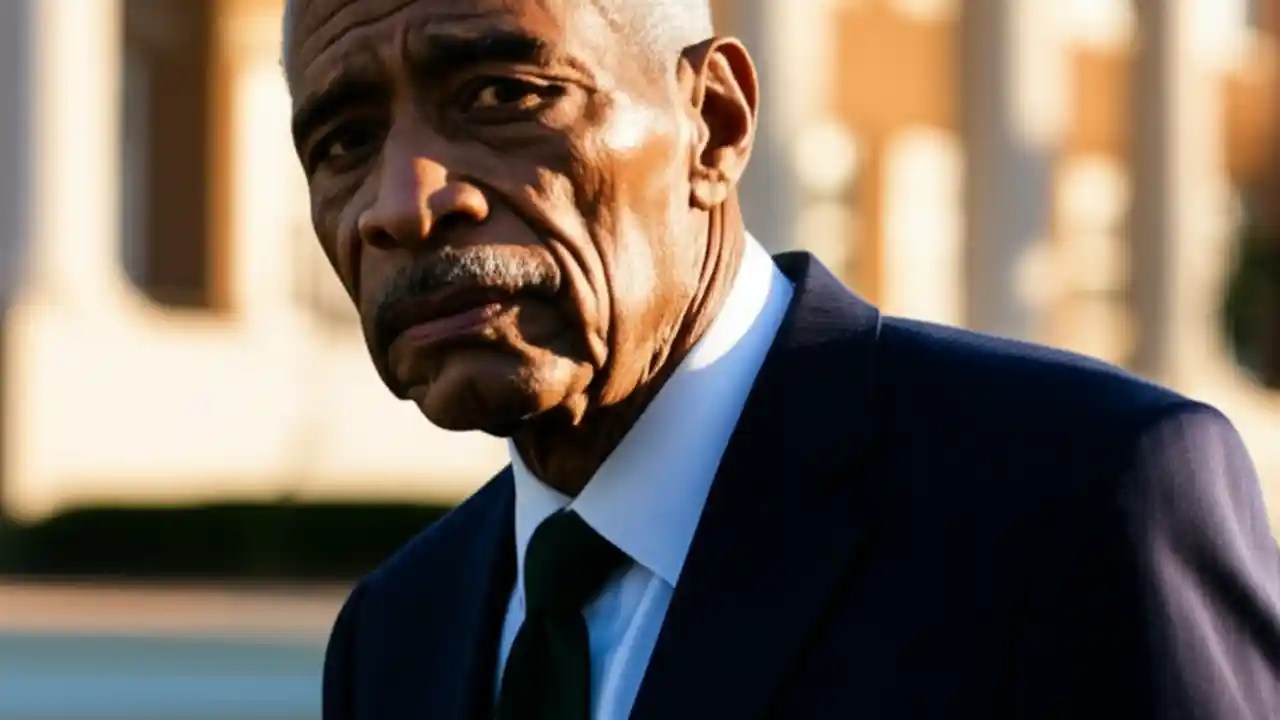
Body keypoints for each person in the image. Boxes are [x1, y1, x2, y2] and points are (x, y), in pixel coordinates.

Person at [283, 0, 1280, 717]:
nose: (402, 205)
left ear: (713, 127)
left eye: (504, 93)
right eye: (342, 143)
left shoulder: (1080, 500)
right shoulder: (396, 636)